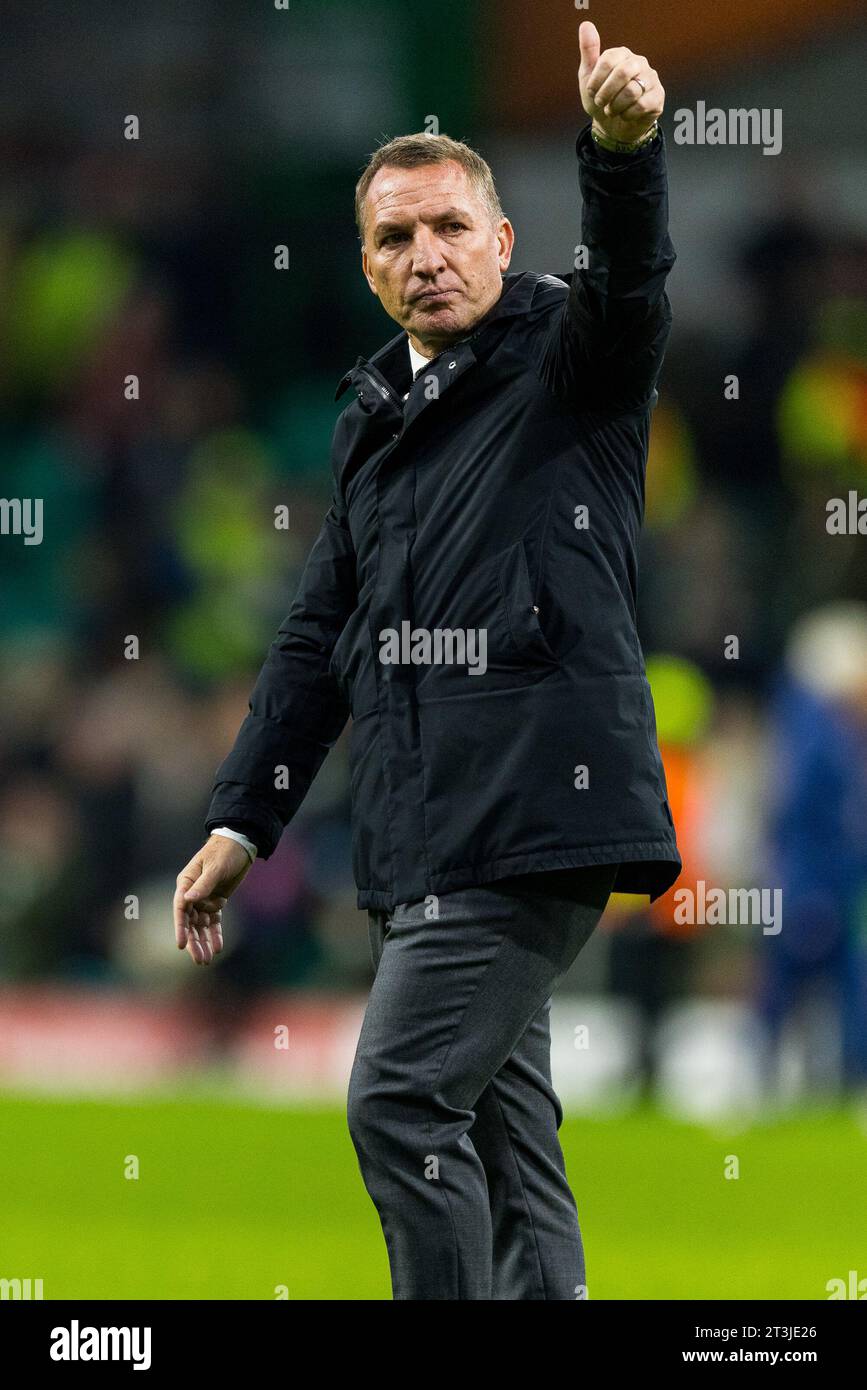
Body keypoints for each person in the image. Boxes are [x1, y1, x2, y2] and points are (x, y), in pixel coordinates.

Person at [173, 21, 681, 1299]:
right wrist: (246, 815)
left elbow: (630, 285)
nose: (428, 256)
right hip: (427, 831)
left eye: (452, 227)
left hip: (532, 814)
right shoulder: (373, 421)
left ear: (503, 244)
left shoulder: (571, 360)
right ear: (366, 267)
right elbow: (314, 638)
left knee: (399, 1103)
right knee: (512, 1157)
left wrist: (621, 154)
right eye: (397, 238)